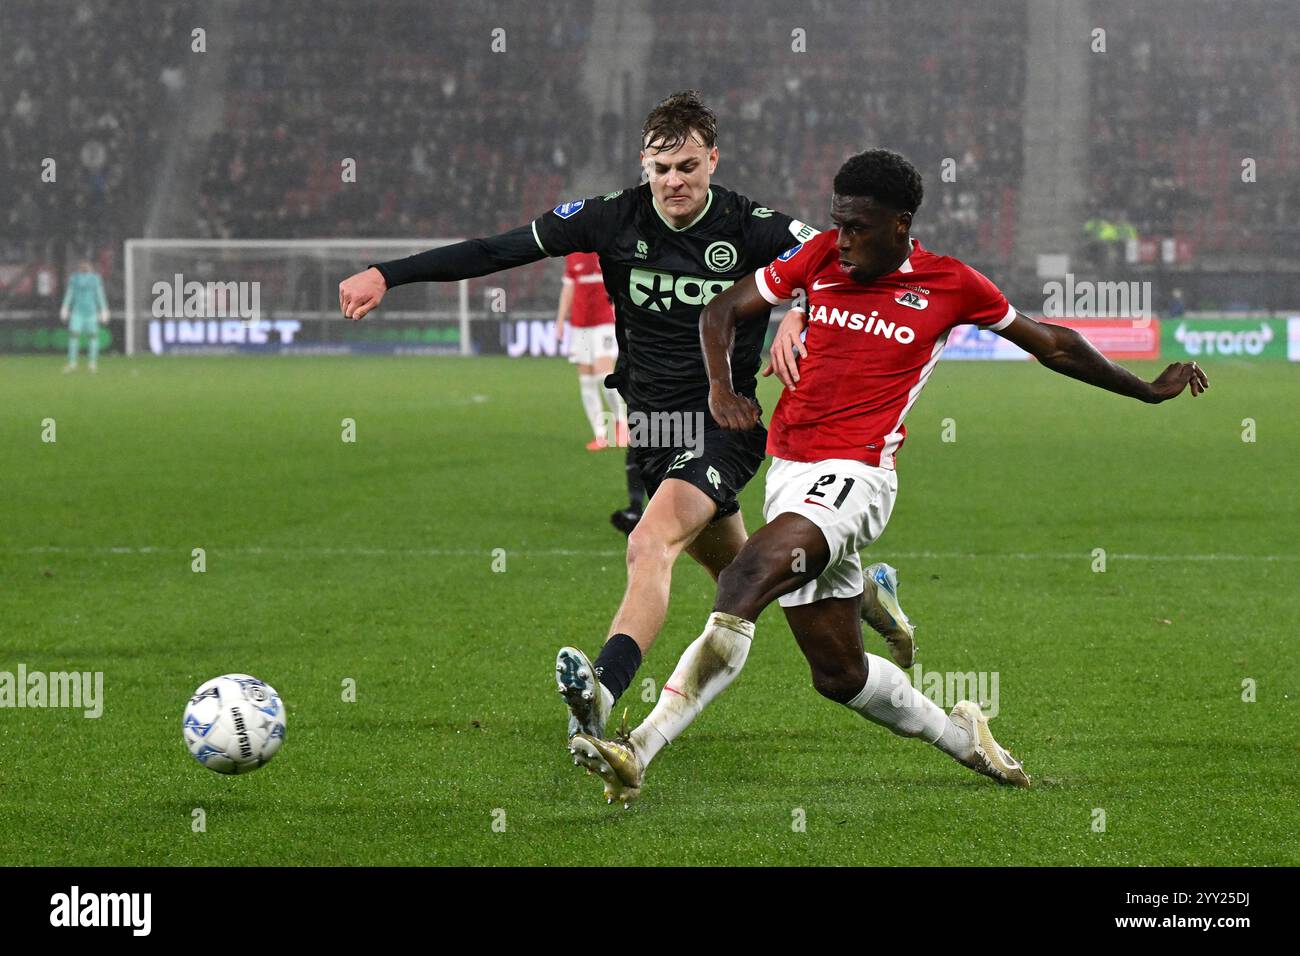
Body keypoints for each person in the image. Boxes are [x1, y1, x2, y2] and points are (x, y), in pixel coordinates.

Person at [569, 148, 1209, 806]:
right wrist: (719, 389)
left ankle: (637, 748)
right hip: (792, 472)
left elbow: (1053, 343)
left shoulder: (951, 284)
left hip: (858, 476)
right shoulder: (818, 257)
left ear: (901, 225)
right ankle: (964, 738)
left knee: (745, 572)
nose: (842, 242)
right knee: (839, 674)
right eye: (837, 223)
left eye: (858, 228)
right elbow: (721, 312)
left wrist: (1145, 391)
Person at [338, 92, 909, 744]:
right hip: (653, 429)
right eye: (661, 168)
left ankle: (600, 692)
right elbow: (495, 251)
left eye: (688, 167)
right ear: (644, 164)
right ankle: (864, 590)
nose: (674, 182)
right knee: (742, 576)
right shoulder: (612, 218)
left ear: (713, 161)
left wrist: (802, 312)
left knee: (648, 543)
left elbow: (847, 259)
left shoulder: (751, 225)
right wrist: (388, 273)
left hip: (724, 425)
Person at [554, 252, 622, 451]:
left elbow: (618, 284)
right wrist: (560, 320)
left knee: (604, 376)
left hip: (604, 323)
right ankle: (601, 434)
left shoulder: (604, 247)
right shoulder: (572, 255)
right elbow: (568, 288)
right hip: (579, 326)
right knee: (586, 380)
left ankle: (621, 424)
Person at [60, 259, 109, 372]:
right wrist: (65, 307)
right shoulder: (74, 279)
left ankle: (92, 363)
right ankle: (73, 363)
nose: (84, 267)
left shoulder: (95, 279)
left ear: (90, 267)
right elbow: (70, 293)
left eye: (86, 265)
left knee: (92, 337)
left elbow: (99, 294)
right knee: (74, 336)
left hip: (91, 312)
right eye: (82, 265)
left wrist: (103, 309)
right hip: (77, 312)